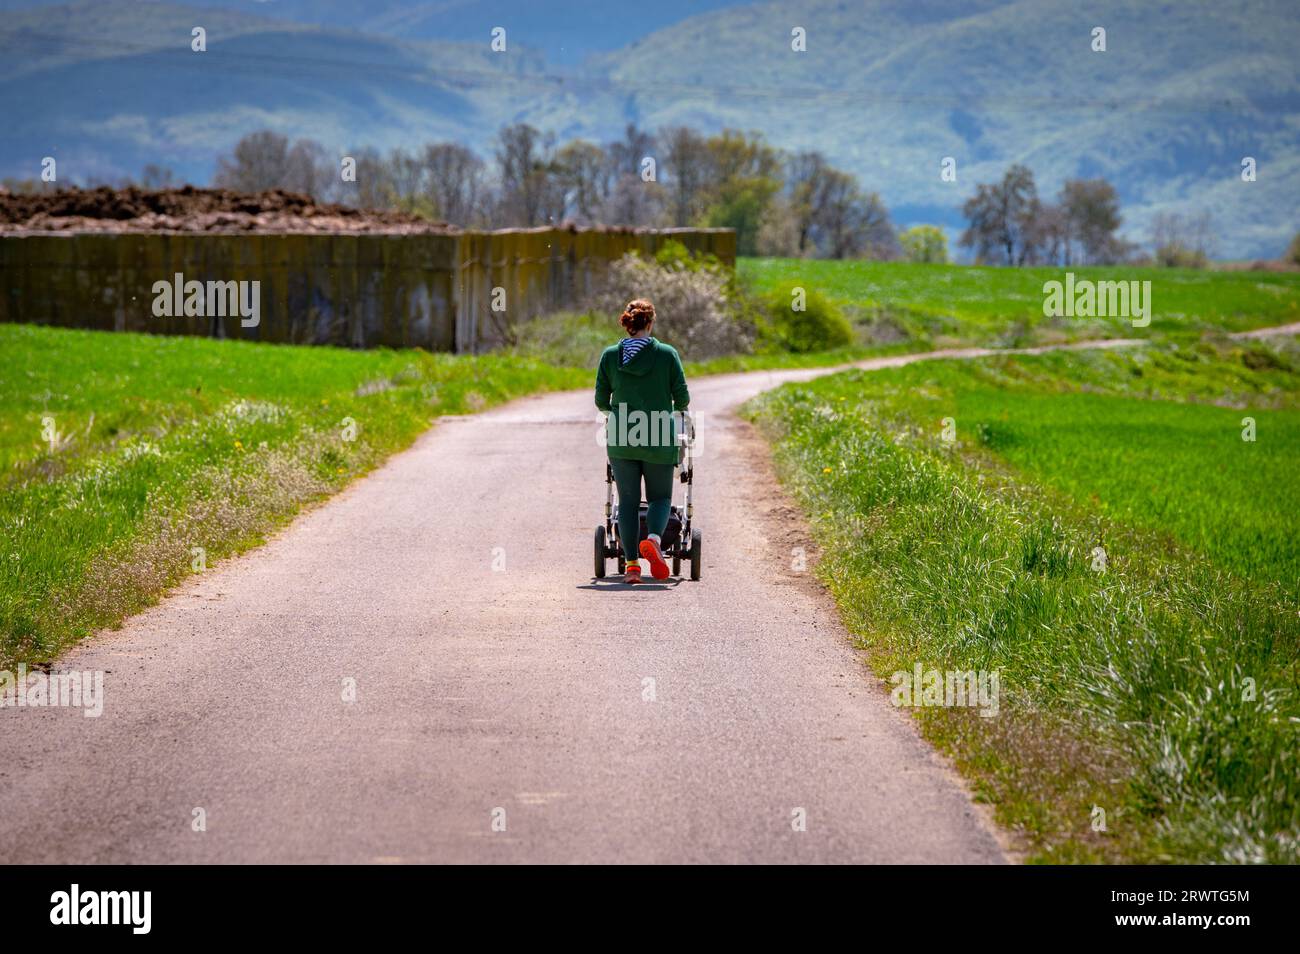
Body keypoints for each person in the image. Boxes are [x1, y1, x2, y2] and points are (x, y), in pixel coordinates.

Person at [594, 299, 690, 584]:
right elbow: (683, 399)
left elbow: (601, 400)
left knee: (627, 502)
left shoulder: (610, 356)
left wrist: (620, 417)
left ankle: (632, 566)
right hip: (658, 434)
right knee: (660, 497)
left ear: (627, 322)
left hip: (623, 436)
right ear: (650, 323)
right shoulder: (667, 355)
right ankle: (653, 540)